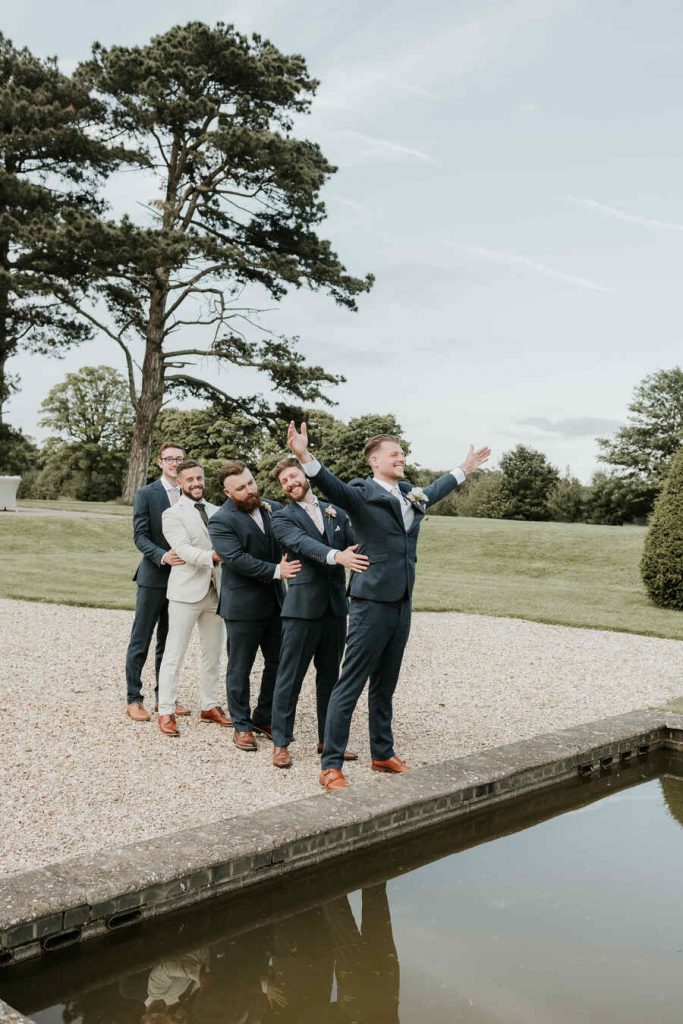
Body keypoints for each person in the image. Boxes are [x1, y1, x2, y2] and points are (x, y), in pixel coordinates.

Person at [287, 423, 490, 790]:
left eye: (402, 453)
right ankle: (330, 764)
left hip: (402, 601)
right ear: (375, 461)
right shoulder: (362, 494)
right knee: (350, 683)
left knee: (386, 683)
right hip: (370, 602)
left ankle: (382, 753)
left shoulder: (410, 495)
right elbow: (332, 486)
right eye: (394, 453)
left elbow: (435, 491)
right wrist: (305, 457)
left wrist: (465, 468)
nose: (401, 457)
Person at [269, 457, 368, 769]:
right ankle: (281, 742)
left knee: (330, 678)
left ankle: (328, 739)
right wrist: (337, 556)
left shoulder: (335, 511)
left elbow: (357, 544)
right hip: (301, 610)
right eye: (284, 481)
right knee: (290, 678)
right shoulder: (282, 519)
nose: (290, 483)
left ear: (305, 476)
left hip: (336, 608)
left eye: (294, 476)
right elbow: (303, 545)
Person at [208, 461, 301, 751]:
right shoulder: (220, 520)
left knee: (277, 663)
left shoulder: (271, 508)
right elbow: (235, 558)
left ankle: (264, 717)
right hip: (242, 607)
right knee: (240, 667)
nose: (250, 490)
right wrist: (277, 571)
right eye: (241, 488)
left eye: (251, 483)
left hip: (276, 602)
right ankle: (241, 725)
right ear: (227, 491)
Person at [156, 460, 230, 737]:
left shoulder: (217, 511)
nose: (196, 483)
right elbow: (184, 550)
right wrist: (214, 556)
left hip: (216, 592)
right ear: (179, 483)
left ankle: (209, 705)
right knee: (174, 653)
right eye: (190, 480)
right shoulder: (171, 514)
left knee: (213, 652)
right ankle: (165, 710)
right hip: (186, 593)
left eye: (199, 478)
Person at [124, 442, 190, 722]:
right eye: (169, 459)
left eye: (179, 458)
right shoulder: (146, 493)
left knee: (169, 641)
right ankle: (133, 698)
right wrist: (163, 556)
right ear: (160, 462)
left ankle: (164, 698)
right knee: (142, 638)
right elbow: (140, 536)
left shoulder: (190, 493)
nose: (174, 463)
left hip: (183, 580)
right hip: (153, 576)